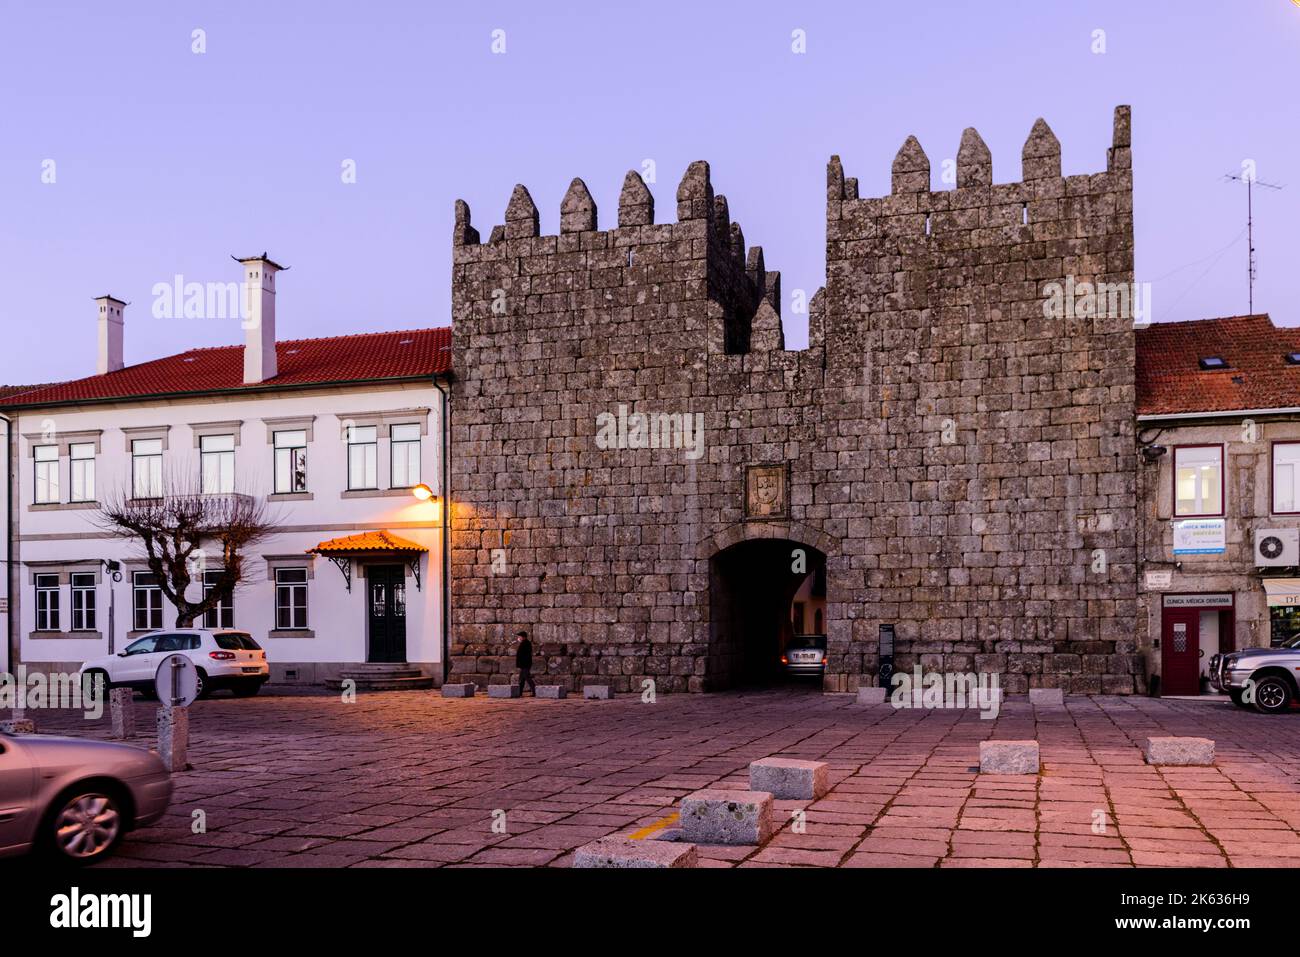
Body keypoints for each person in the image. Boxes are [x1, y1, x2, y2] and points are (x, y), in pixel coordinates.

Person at [514, 630, 536, 696]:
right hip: (524, 664)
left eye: (519, 636)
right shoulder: (524, 643)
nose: (518, 638)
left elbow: (525, 655)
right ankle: (520, 692)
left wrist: (522, 664)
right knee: (522, 679)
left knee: (527, 678)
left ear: (523, 637)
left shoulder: (526, 643)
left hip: (525, 664)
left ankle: (535, 691)